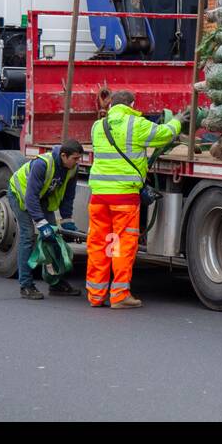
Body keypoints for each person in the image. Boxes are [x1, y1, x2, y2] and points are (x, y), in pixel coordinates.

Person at [86, 90, 186, 309]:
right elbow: (164, 134)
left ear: (112, 104)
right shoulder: (136, 124)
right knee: (121, 245)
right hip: (124, 197)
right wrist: (178, 121)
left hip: (99, 196)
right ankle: (120, 295)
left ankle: (96, 294)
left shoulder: (97, 127)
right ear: (132, 104)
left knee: (100, 244)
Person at [8, 140, 85, 300]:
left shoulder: (72, 169)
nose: (78, 162)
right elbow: (30, 198)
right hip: (20, 195)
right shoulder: (42, 164)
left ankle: (55, 283)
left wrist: (67, 220)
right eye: (75, 159)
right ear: (64, 156)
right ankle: (26, 285)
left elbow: (68, 197)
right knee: (28, 236)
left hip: (42, 198)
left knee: (53, 238)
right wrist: (42, 225)